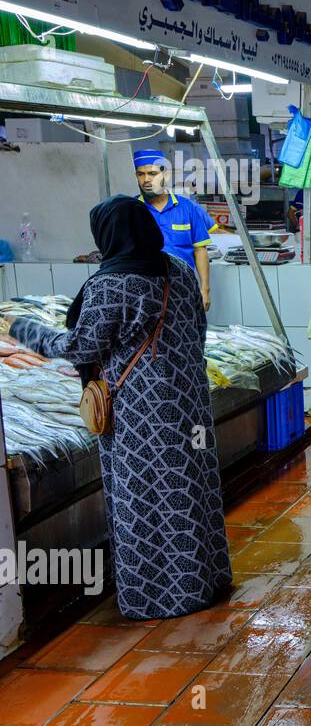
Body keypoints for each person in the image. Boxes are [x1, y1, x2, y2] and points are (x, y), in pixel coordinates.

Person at [11, 197, 230, 619]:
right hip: (189, 403)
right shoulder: (179, 270)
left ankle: (158, 597)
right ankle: (206, 580)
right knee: (192, 490)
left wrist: (25, 329)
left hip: (139, 415)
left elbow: (80, 347)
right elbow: (197, 329)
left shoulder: (110, 285)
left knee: (143, 499)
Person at [132, 149, 216, 310]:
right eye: (140, 174)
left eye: (152, 173)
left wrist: (204, 290)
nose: (146, 180)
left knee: (184, 331)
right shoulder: (131, 209)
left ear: (166, 175)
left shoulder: (188, 208)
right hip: (144, 289)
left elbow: (200, 250)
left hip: (183, 288)